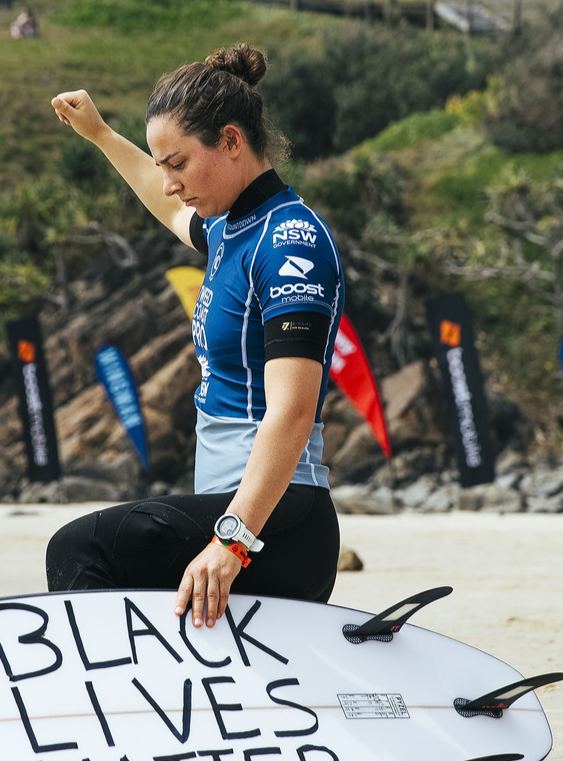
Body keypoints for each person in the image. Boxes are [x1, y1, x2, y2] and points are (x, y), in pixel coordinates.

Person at [45, 44, 345, 629]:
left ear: (231, 141)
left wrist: (232, 543)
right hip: (240, 515)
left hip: (278, 520)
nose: (169, 183)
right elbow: (164, 205)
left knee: (81, 549)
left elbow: (293, 409)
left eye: (178, 163)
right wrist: (102, 134)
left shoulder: (290, 245)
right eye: (163, 165)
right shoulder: (233, 230)